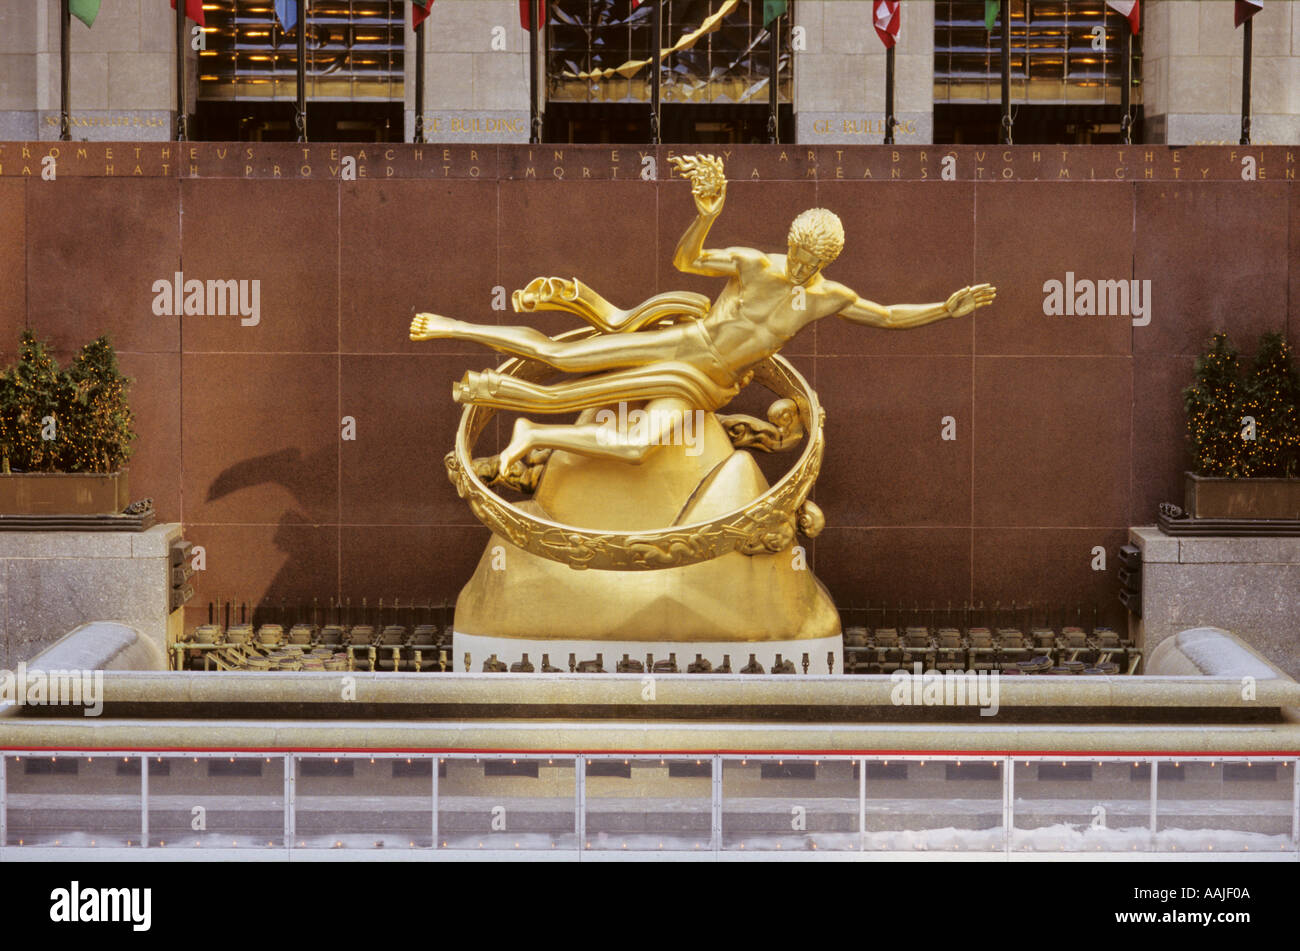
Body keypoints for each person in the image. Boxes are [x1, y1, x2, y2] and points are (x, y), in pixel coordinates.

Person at [410, 154, 995, 474]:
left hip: (707, 387)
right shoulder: (752, 263)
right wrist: (707, 213)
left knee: (637, 448)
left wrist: (945, 310)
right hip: (683, 346)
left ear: (828, 259)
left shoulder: (828, 298)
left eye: (810, 258)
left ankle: (532, 430)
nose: (797, 263)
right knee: (559, 355)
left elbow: (889, 316)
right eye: (794, 250)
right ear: (788, 242)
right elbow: (685, 259)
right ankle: (454, 326)